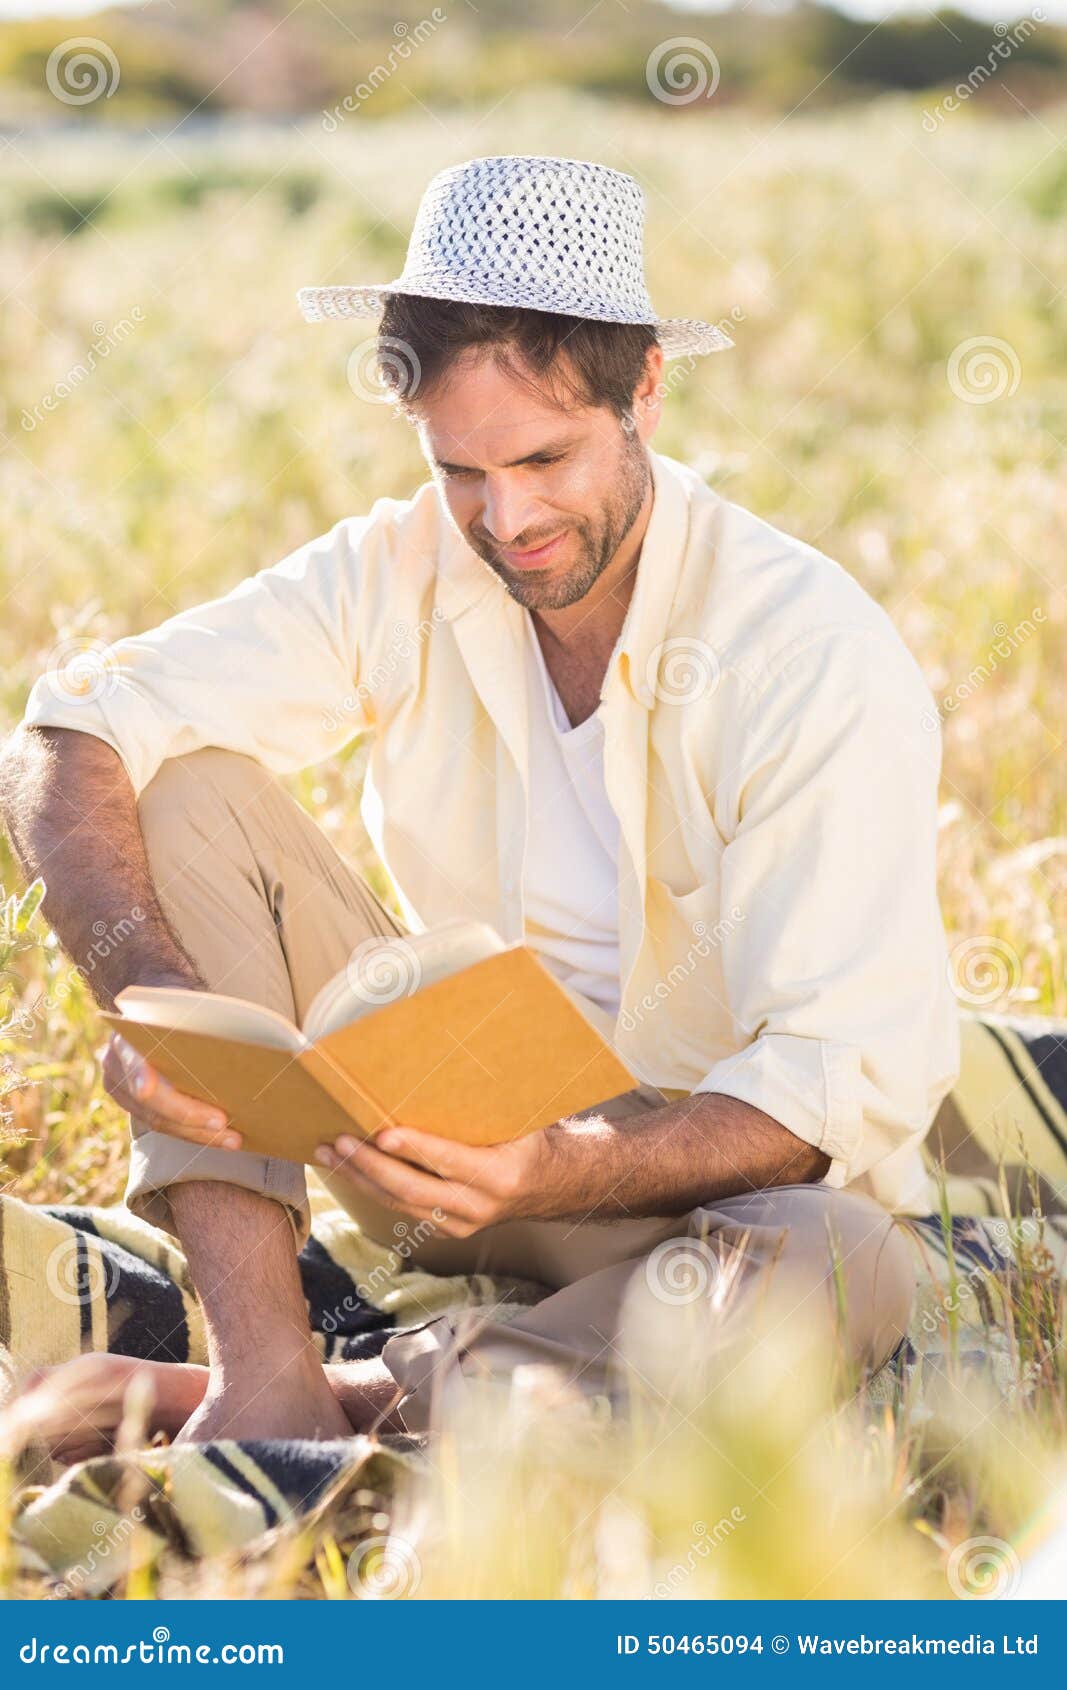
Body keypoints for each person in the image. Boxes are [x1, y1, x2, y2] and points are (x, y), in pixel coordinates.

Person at [0, 155, 959, 1452]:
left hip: (707, 1195)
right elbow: (67, 728)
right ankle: (263, 1367)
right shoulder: (407, 559)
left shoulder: (807, 655)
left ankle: (337, 1405)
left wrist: (559, 1164)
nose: (507, 520)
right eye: (462, 469)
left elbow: (821, 1095)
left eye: (545, 458)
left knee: (842, 1270)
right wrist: (153, 995)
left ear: (649, 393)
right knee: (175, 783)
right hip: (433, 1143)